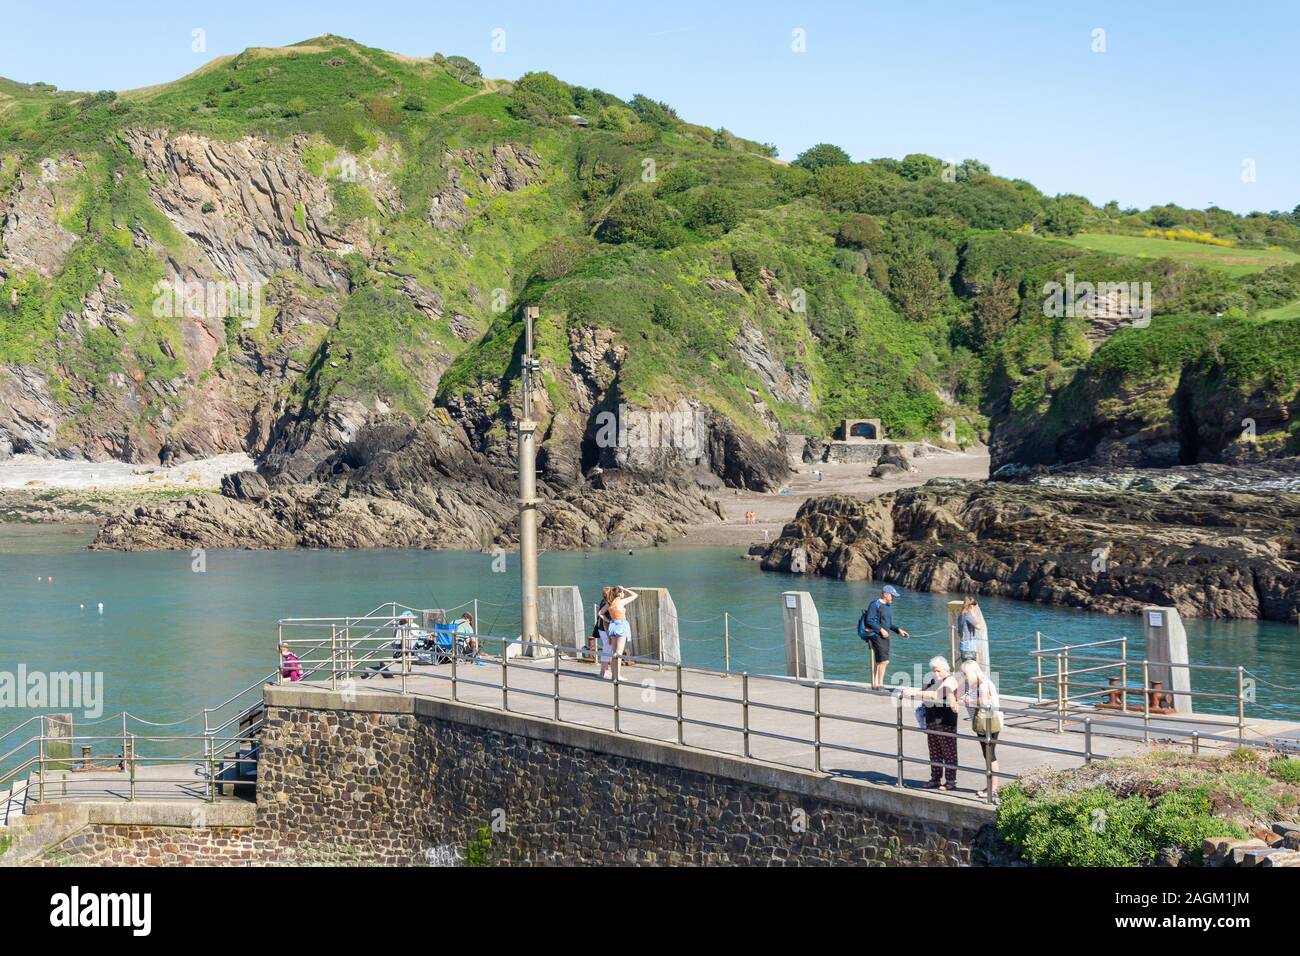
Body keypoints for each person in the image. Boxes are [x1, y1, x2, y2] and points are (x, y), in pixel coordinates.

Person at [959, 657, 1003, 801]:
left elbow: (983, 701)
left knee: (990, 755)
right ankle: (991, 786)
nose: (963, 677)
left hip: (988, 722)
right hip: (985, 722)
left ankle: (993, 788)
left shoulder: (983, 684)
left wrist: (969, 700)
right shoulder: (975, 683)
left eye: (965, 674)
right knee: (988, 755)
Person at [921, 656, 960, 790]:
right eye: (933, 671)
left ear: (945, 669)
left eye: (938, 671)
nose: (935, 673)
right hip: (932, 718)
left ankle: (950, 781)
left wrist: (913, 692)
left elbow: (938, 694)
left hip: (946, 720)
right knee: (934, 750)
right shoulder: (931, 679)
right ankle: (935, 778)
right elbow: (925, 692)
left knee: (948, 750)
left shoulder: (950, 680)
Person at [862, 584, 910, 690]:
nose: (893, 598)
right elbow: (869, 620)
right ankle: (880, 684)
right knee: (884, 661)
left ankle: (875, 684)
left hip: (884, 636)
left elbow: (888, 624)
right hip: (876, 635)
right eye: (892, 595)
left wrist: (898, 630)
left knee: (880, 661)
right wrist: (881, 630)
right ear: (885, 594)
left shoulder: (888, 606)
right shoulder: (875, 604)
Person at [602, 586, 638, 682]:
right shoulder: (621, 602)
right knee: (618, 653)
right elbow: (635, 595)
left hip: (613, 625)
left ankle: (614, 675)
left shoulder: (609, 603)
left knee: (614, 653)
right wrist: (625, 589)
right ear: (619, 594)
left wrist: (608, 620)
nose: (624, 594)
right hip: (621, 625)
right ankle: (617, 676)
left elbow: (600, 613)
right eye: (622, 593)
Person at [957, 595, 988, 666]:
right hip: (968, 644)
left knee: (967, 667)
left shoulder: (960, 615)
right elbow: (979, 626)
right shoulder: (968, 615)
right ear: (971, 606)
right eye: (974, 607)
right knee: (971, 668)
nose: (975, 609)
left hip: (963, 643)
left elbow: (959, 632)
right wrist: (973, 614)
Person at [596, 587, 615, 679]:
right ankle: (602, 672)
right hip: (605, 629)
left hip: (602, 629)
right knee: (607, 650)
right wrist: (609, 635)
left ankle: (606, 671)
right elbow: (604, 622)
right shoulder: (607, 603)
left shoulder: (603, 601)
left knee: (608, 650)